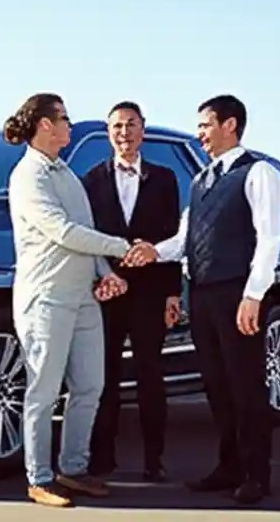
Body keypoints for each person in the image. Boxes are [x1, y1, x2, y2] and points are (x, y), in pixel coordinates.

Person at [123, 94, 280, 505]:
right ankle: (228, 466)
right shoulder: (201, 180)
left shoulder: (258, 173)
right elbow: (186, 239)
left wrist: (253, 296)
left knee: (246, 386)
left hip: (237, 293)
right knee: (217, 385)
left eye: (205, 125)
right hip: (205, 295)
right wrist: (153, 250)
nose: (200, 135)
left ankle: (255, 475)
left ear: (230, 125)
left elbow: (269, 241)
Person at [2, 92, 156, 508]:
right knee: (44, 390)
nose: (71, 125)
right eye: (65, 119)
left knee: (91, 385)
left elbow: (84, 234)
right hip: (46, 298)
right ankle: (39, 478)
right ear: (46, 125)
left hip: (84, 298)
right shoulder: (28, 177)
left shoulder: (67, 174)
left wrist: (107, 274)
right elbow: (63, 231)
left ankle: (73, 468)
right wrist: (123, 247)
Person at [80, 101, 183, 482]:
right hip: (107, 291)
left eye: (131, 125)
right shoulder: (91, 180)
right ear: (109, 133)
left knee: (149, 374)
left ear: (143, 131)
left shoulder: (165, 179)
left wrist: (174, 294)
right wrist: (103, 276)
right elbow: (87, 238)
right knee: (101, 375)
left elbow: (172, 236)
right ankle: (102, 457)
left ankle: (154, 459)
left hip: (151, 293)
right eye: (117, 127)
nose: (124, 133)